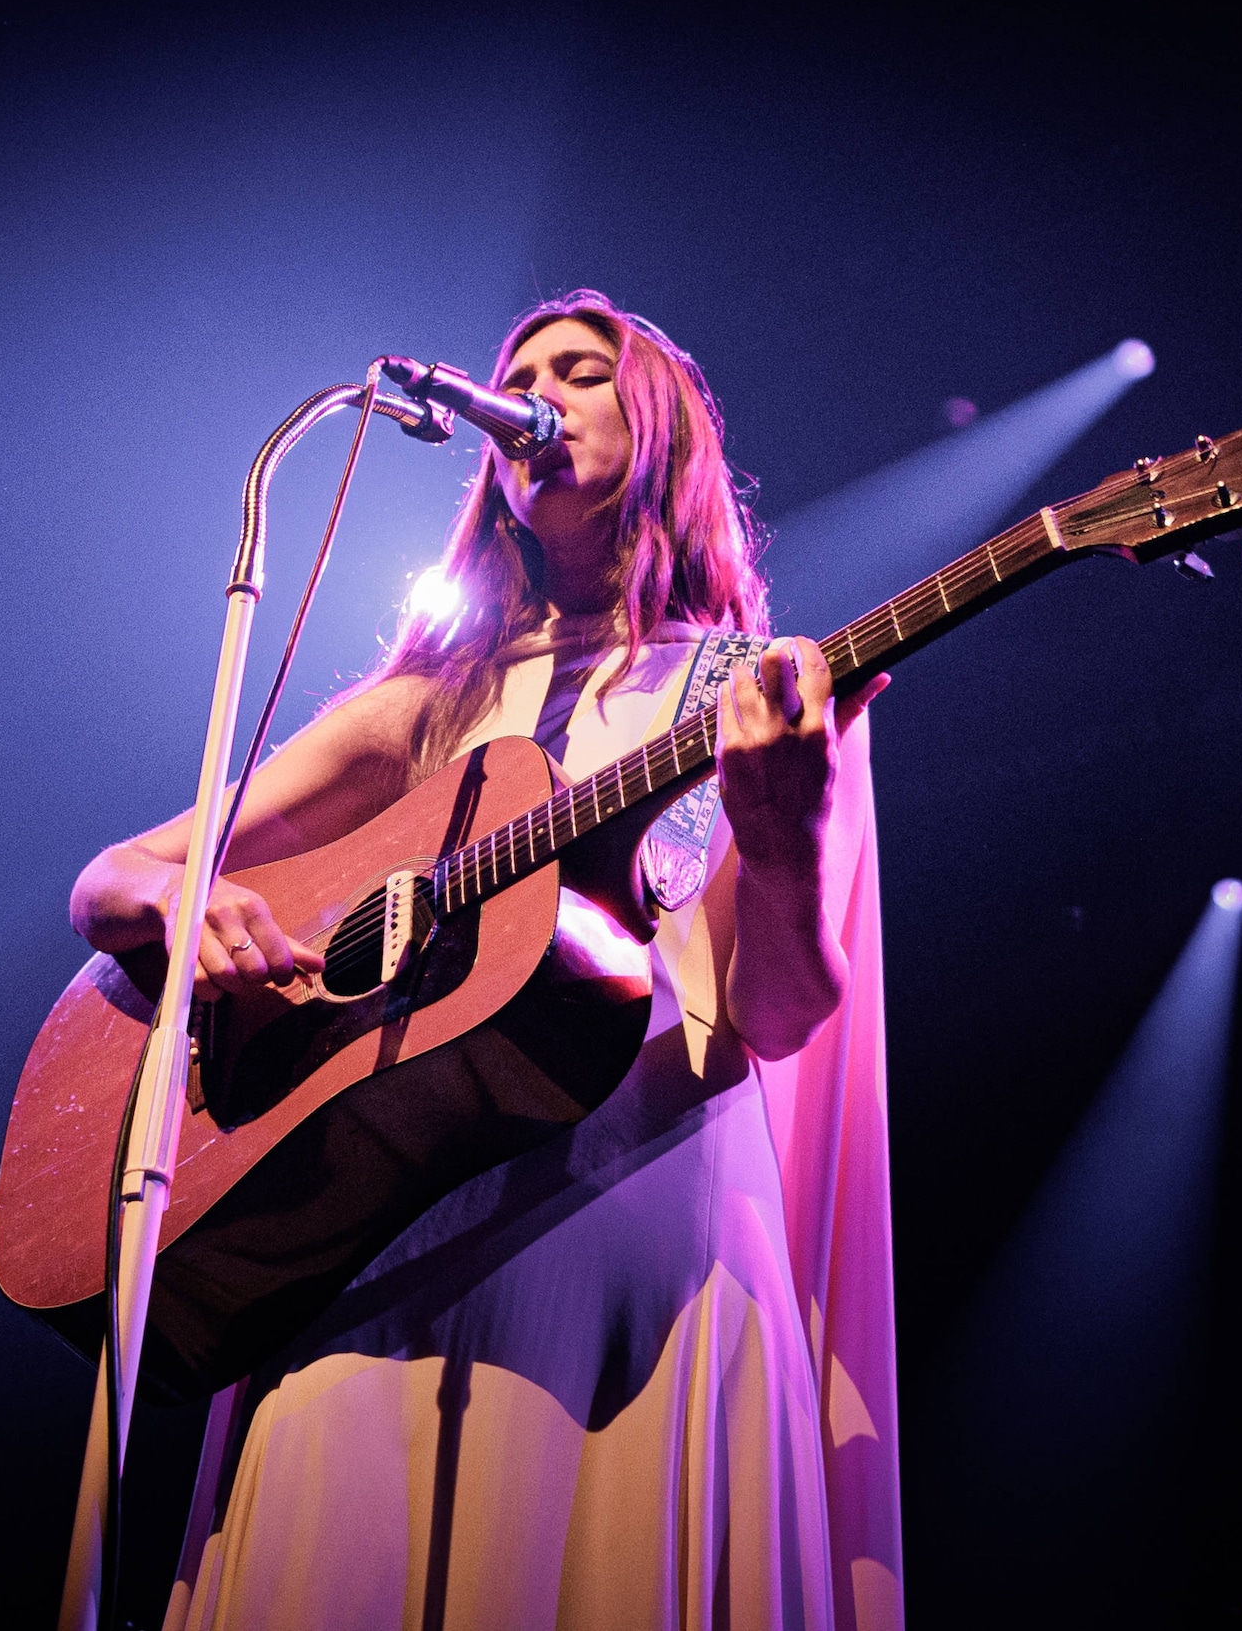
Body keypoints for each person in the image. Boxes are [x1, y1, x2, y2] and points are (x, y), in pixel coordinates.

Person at [74, 291, 903, 1630]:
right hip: (374, 1223)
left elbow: (780, 1009)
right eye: (523, 377)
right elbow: (114, 875)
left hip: (635, 1217)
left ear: (666, 429)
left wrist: (787, 826)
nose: (541, 395)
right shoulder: (426, 705)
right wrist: (189, 912)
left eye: (583, 373)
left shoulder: (762, 690)